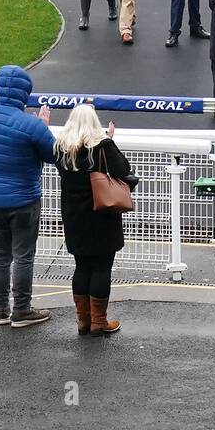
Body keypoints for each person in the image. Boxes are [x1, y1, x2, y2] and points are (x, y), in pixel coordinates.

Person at [0, 65, 57, 328]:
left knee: (0, 255)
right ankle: (22, 310)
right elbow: (54, 155)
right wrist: (43, 125)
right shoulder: (31, 125)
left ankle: (1, 309)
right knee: (23, 256)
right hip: (25, 200)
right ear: (24, 93)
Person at [52, 104, 138, 337]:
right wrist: (110, 140)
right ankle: (99, 322)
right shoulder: (102, 146)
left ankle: (83, 321)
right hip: (101, 214)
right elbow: (123, 169)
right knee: (101, 267)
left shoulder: (61, 148)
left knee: (81, 267)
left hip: (74, 215)